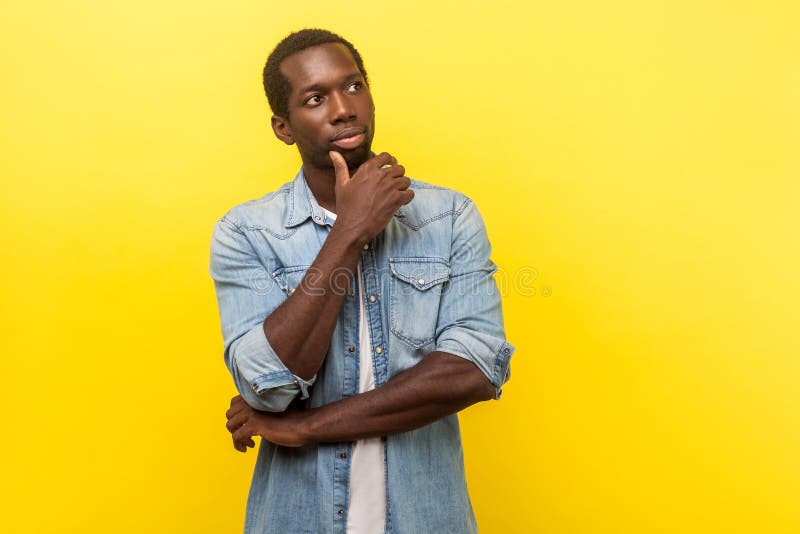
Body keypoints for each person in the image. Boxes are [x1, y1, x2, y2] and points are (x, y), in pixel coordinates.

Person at [209, 28, 515, 534]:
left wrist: (306, 427)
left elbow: (473, 370)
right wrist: (348, 233)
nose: (342, 108)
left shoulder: (449, 217)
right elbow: (268, 386)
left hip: (426, 518)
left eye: (353, 87)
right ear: (283, 128)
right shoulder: (246, 233)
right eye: (315, 98)